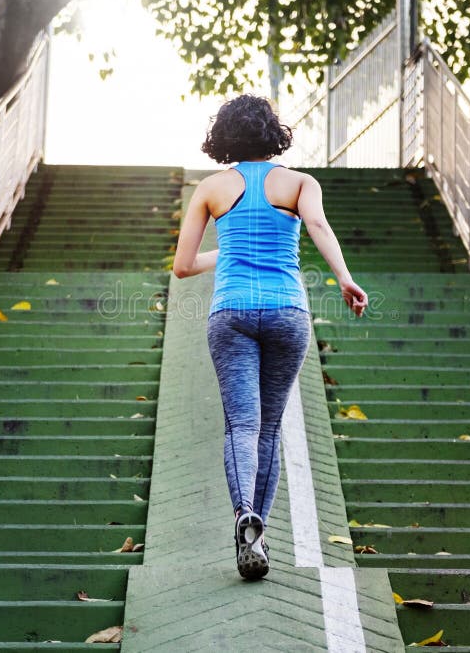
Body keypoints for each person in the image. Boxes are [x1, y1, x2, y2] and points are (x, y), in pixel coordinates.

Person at [173, 94, 367, 580]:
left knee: (241, 424)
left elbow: (183, 267)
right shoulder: (300, 183)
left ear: (223, 138)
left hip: (231, 313)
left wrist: (230, 250)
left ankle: (243, 516)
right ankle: (260, 532)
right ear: (272, 133)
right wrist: (344, 278)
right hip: (287, 311)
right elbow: (319, 226)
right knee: (270, 427)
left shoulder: (210, 189)